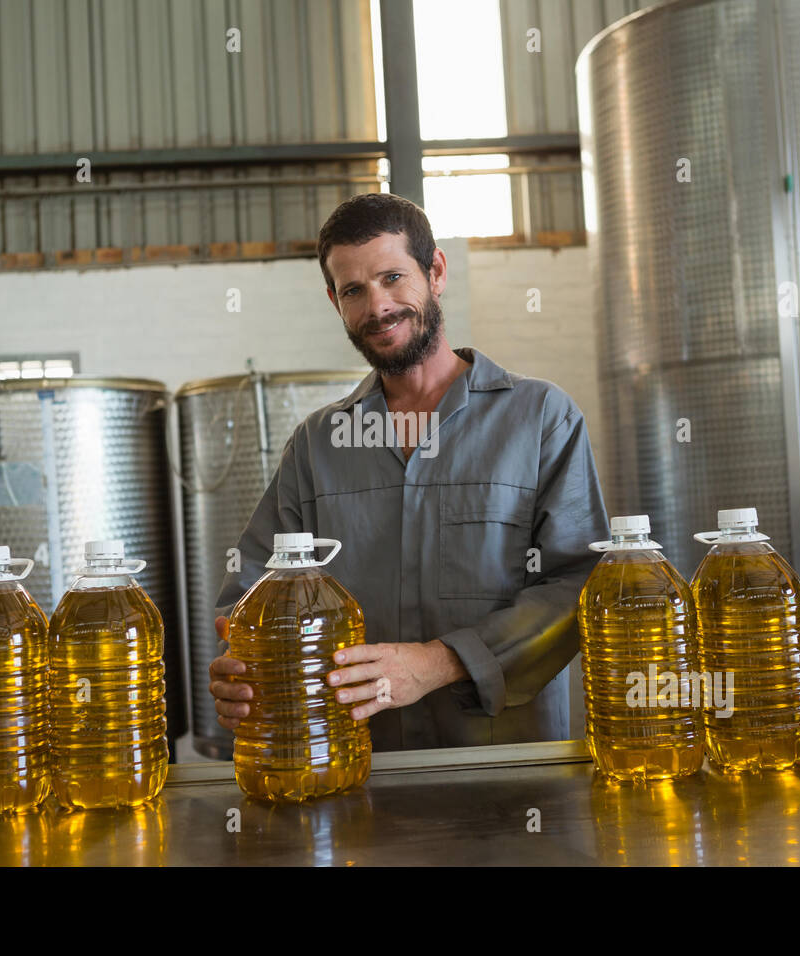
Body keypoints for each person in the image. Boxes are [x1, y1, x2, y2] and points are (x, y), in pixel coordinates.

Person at [208, 192, 608, 750]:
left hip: (508, 772)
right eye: (354, 291)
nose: (378, 307)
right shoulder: (317, 446)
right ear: (335, 300)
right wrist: (240, 663)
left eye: (393, 277)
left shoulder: (539, 418)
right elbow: (252, 588)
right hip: (359, 766)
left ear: (435, 271)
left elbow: (580, 583)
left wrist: (440, 662)